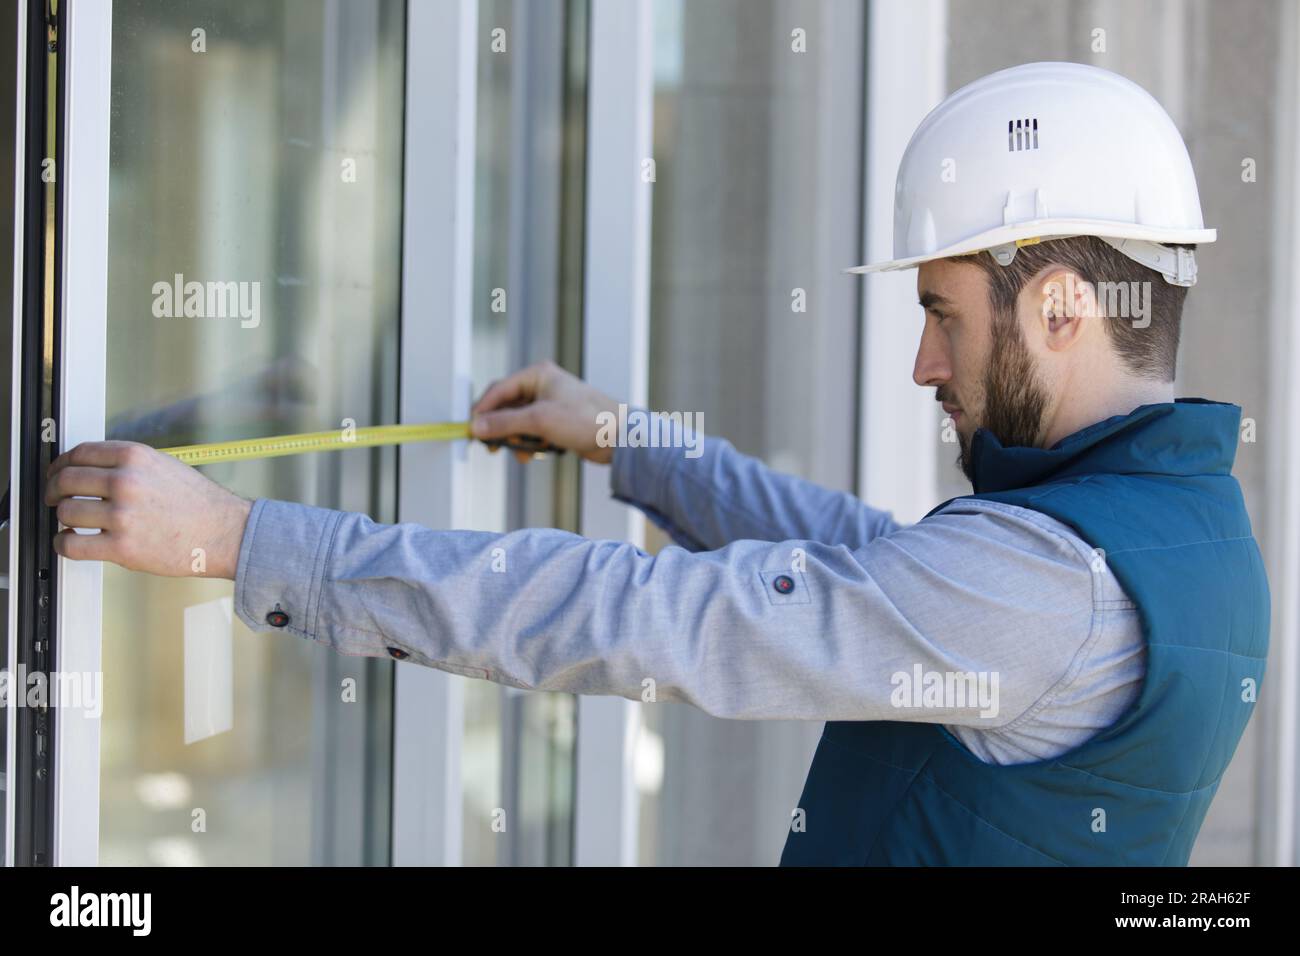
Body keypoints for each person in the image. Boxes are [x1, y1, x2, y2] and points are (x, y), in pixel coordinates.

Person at [44, 62, 1268, 865]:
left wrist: (241, 541)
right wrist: (625, 438)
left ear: (1060, 305)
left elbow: (643, 616)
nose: (920, 362)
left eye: (942, 311)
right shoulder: (1176, 532)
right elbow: (856, 555)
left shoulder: (1043, 584)